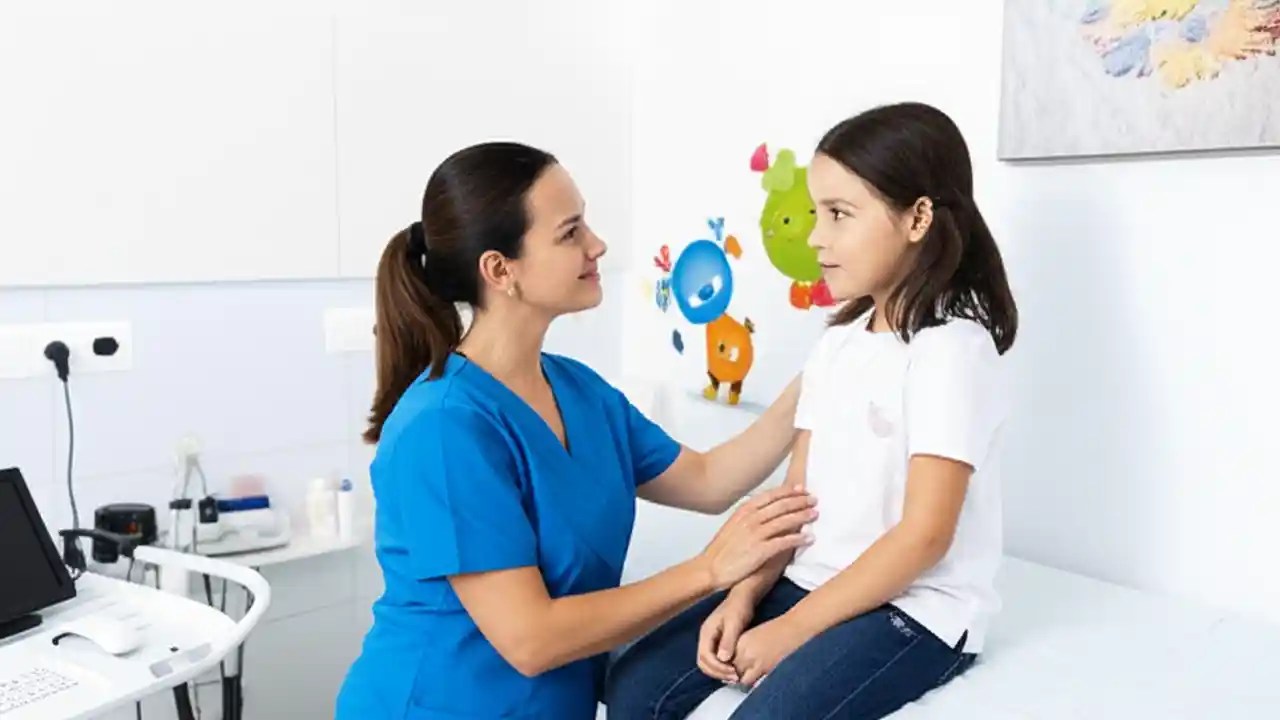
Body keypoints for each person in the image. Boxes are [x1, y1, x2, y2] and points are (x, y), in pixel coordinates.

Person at [334, 141, 819, 720]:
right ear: (499, 270)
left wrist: (828, 370)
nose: (597, 244)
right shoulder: (443, 429)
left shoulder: (578, 391)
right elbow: (531, 639)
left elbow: (711, 479)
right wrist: (709, 570)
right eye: (570, 233)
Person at [604, 102, 1019, 719]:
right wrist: (743, 596)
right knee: (635, 684)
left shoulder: (952, 351)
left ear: (919, 218)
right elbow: (793, 499)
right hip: (810, 580)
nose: (815, 236)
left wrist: (791, 632)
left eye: (839, 215)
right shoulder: (836, 346)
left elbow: (925, 536)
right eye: (818, 213)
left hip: (915, 608)